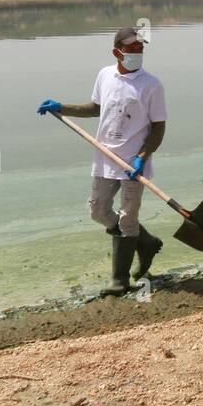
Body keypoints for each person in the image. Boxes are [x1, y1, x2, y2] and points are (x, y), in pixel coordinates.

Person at [37, 27, 166, 296]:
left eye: (141, 49)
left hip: (133, 163)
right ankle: (147, 242)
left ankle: (119, 282)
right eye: (132, 50)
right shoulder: (105, 75)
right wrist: (61, 107)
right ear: (117, 52)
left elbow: (158, 127)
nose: (138, 53)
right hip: (106, 156)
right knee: (97, 211)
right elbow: (95, 108)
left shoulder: (151, 84)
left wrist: (142, 157)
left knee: (128, 219)